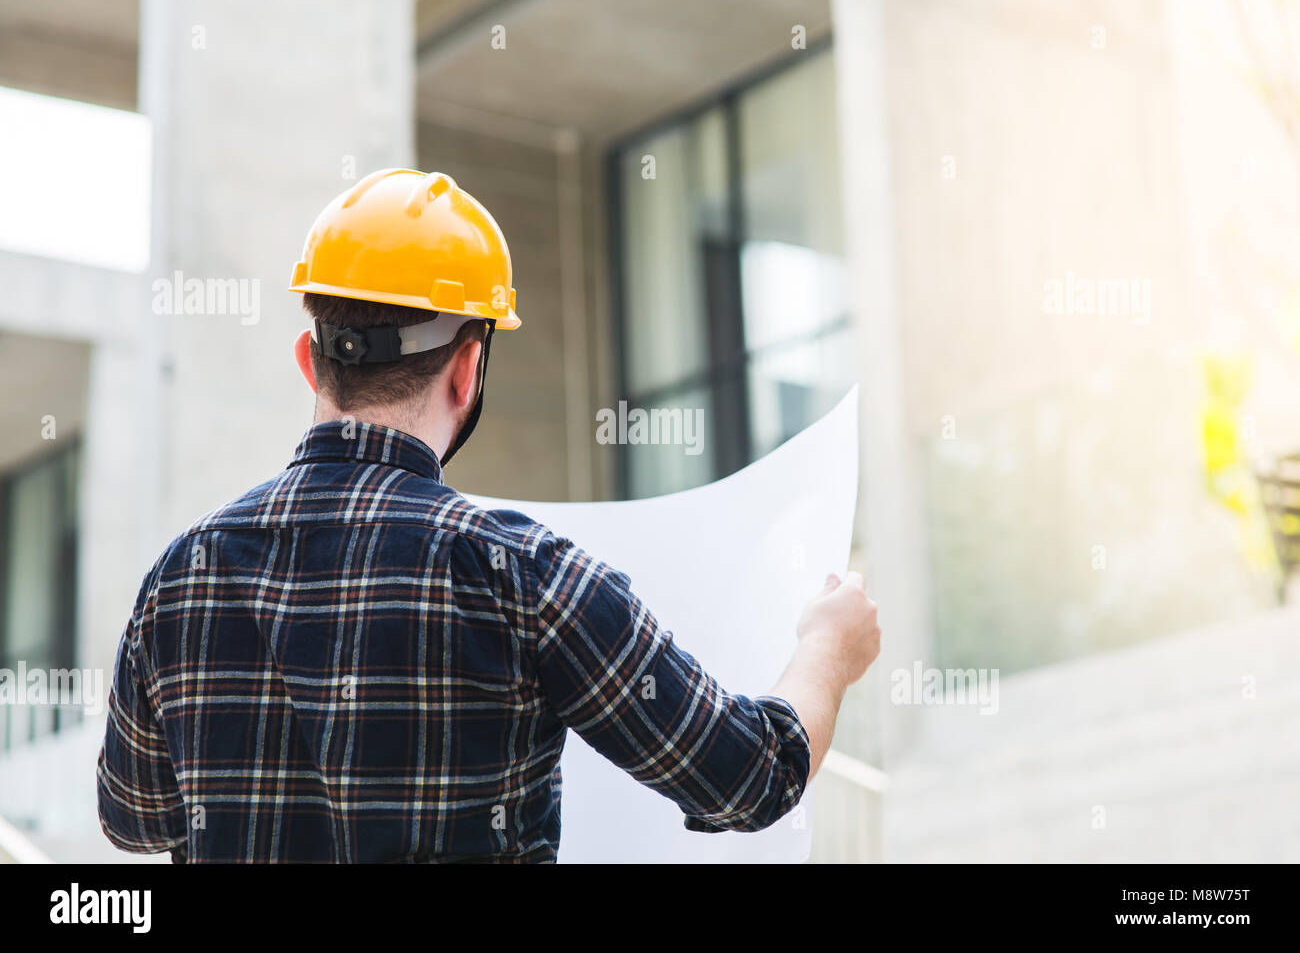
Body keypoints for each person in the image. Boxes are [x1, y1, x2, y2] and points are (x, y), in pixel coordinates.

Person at [96, 169, 881, 862]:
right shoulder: (526, 575)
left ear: (311, 358)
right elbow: (752, 776)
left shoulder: (183, 576)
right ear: (469, 368)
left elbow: (131, 818)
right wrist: (828, 648)